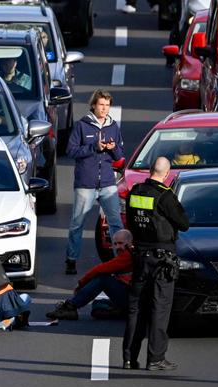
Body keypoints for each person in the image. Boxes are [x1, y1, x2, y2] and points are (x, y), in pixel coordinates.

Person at [122, 157, 190, 371]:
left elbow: (131, 222)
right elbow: (184, 224)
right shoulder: (166, 195)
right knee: (159, 308)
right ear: (167, 174)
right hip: (162, 259)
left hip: (141, 256)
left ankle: (129, 358)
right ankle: (156, 358)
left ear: (150, 170)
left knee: (136, 309)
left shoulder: (135, 191)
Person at [65, 90, 127, 276]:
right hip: (86, 183)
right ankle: (71, 260)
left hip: (108, 182)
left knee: (116, 224)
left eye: (107, 105)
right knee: (78, 223)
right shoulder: (82, 126)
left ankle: (120, 261)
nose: (104, 109)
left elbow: (119, 156)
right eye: (101, 105)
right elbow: (71, 151)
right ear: (93, 105)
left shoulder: (113, 126)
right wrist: (94, 147)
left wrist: (113, 148)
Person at [47, 229, 134, 320]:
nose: (117, 247)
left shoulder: (129, 255)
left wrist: (81, 283)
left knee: (102, 279)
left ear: (129, 243)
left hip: (132, 298)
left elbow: (99, 269)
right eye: (115, 244)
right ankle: (121, 312)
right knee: (98, 304)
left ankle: (71, 307)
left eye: (120, 243)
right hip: (131, 297)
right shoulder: (130, 254)